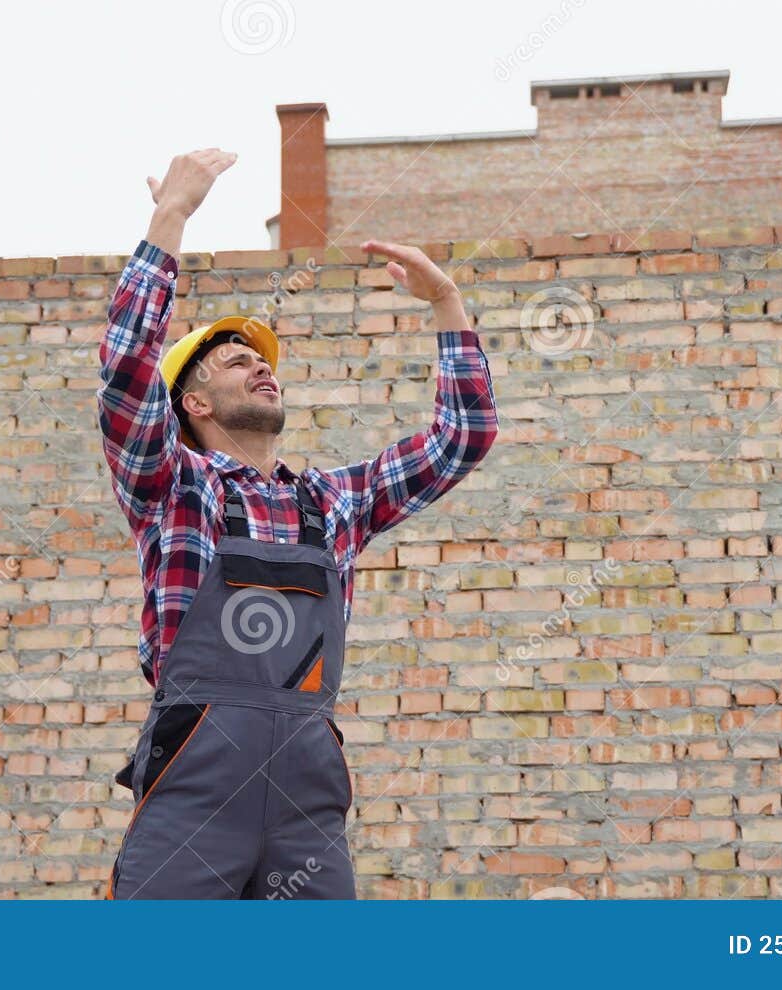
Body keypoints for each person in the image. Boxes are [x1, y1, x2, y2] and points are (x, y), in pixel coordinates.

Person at [97, 147, 498, 898]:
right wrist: (171, 216)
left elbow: (461, 438)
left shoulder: (336, 502)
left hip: (304, 796)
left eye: (262, 358)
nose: (259, 366)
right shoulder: (174, 486)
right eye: (233, 362)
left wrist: (446, 302)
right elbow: (125, 370)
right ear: (195, 404)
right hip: (196, 783)